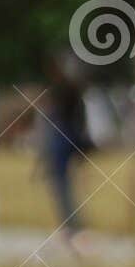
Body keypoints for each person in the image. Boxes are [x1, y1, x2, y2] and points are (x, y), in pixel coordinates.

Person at [39, 55, 93, 244]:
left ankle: (72, 226)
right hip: (68, 139)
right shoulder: (74, 91)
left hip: (63, 139)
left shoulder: (63, 91)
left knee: (62, 185)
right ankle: (72, 224)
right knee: (64, 185)